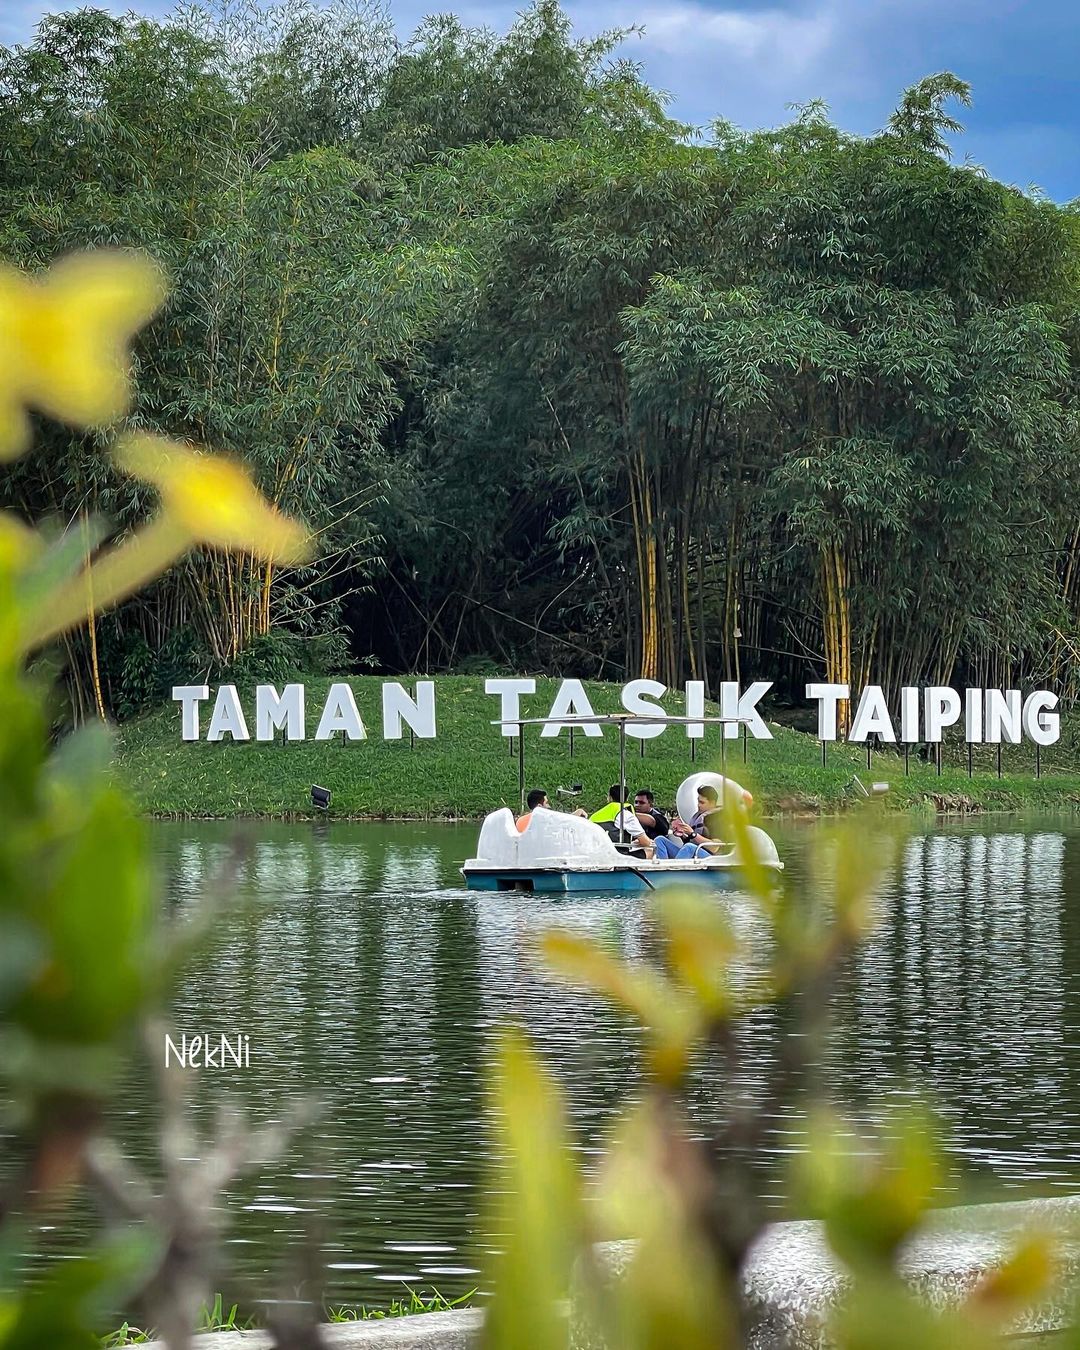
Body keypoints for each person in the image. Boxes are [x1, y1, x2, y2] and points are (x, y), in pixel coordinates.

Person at [653, 783, 727, 860]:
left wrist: (693, 834)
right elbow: (691, 841)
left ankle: (674, 870)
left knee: (689, 848)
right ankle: (663, 867)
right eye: (698, 801)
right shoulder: (699, 816)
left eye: (702, 802)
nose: (698, 805)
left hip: (711, 858)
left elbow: (714, 848)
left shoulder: (719, 819)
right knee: (660, 840)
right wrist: (683, 835)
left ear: (712, 803)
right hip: (695, 853)